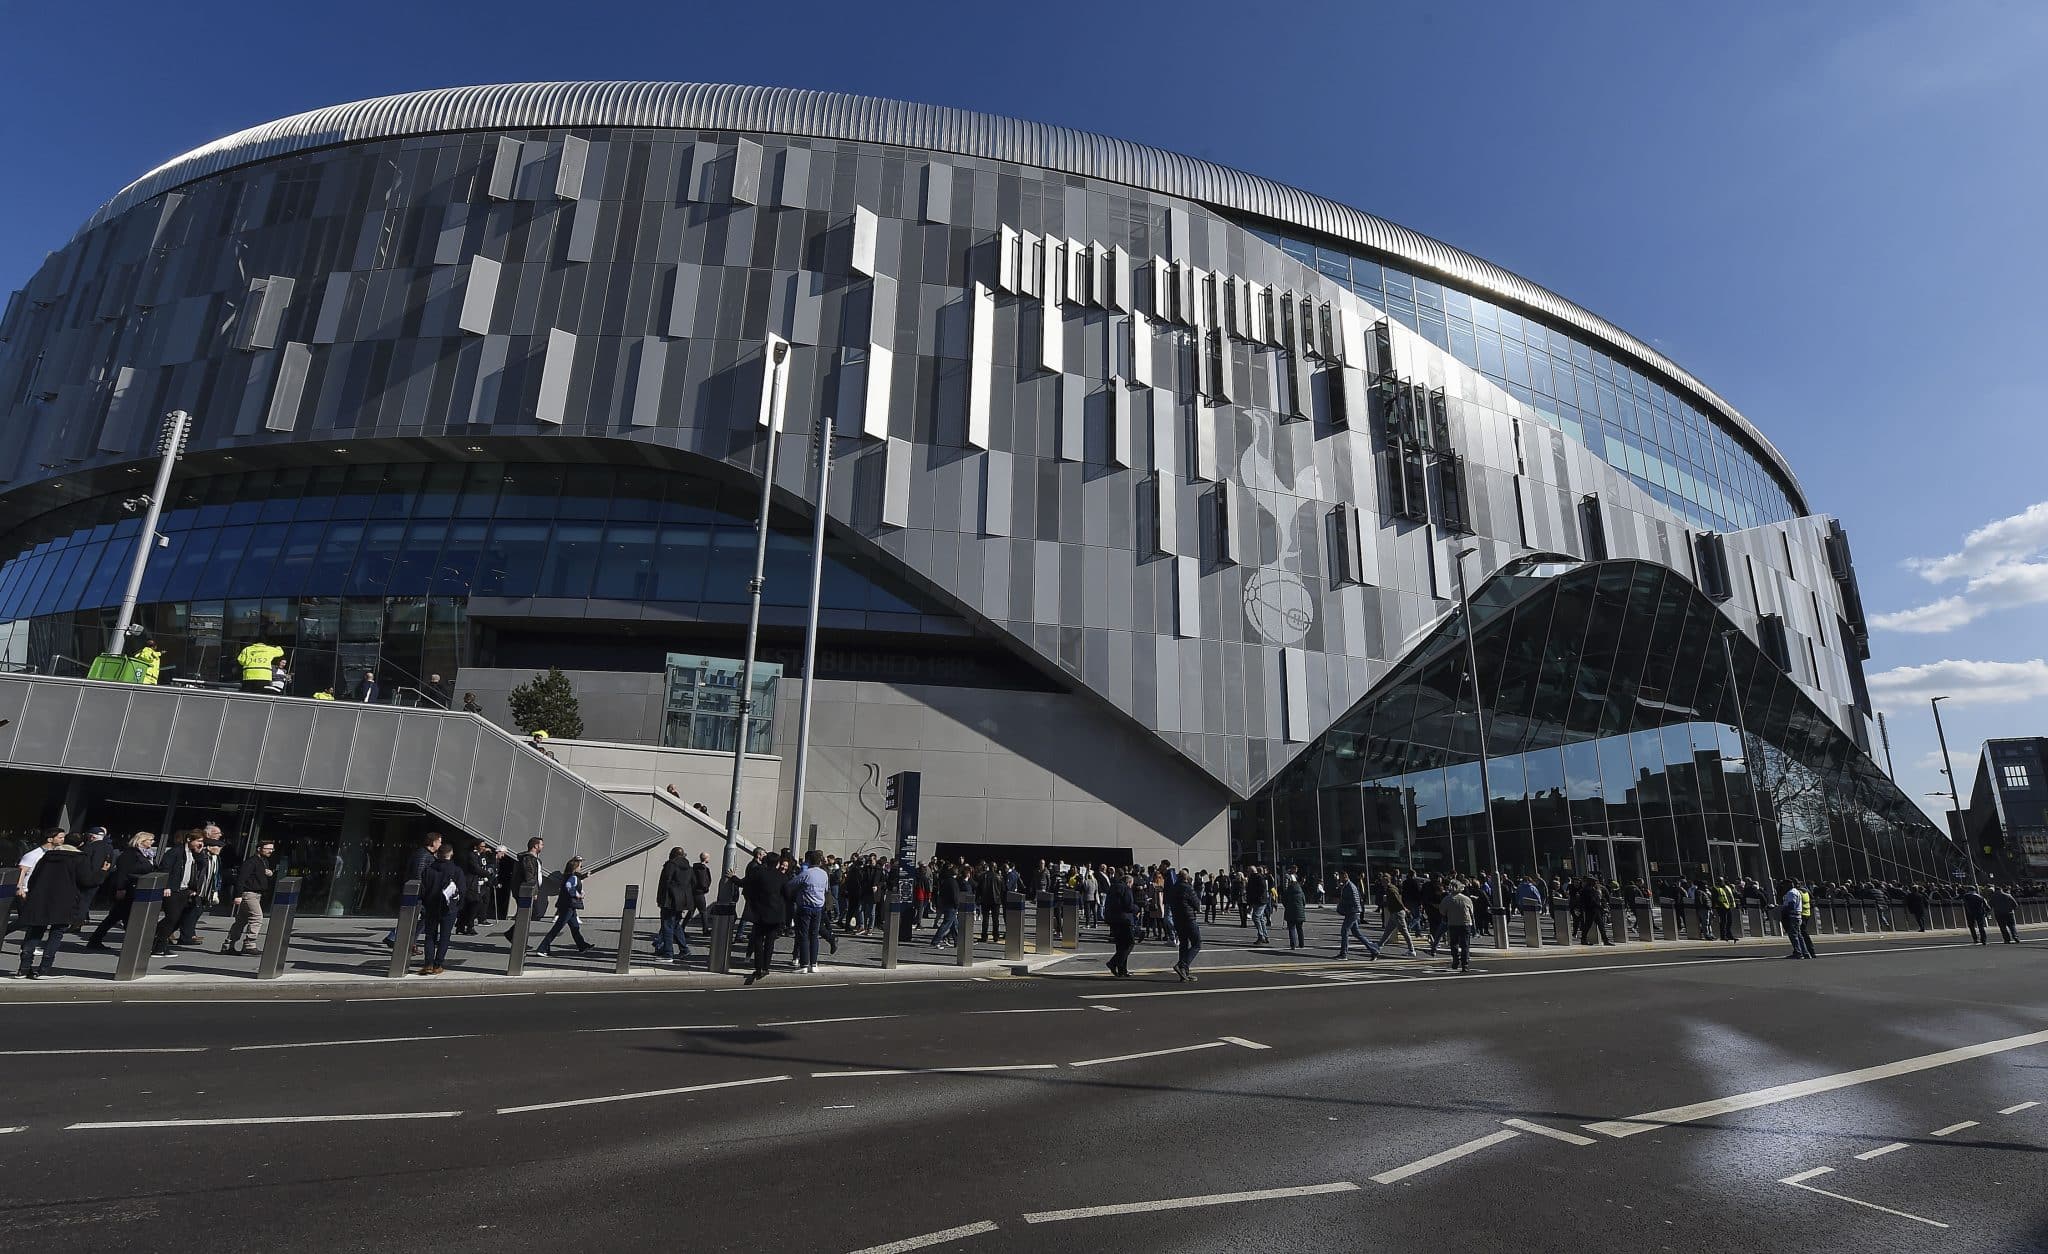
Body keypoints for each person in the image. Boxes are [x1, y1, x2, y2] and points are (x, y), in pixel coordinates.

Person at [11, 833, 108, 979]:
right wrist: (102, 872)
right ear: (80, 845)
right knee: (56, 934)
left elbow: (34, 878)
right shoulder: (80, 858)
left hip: (41, 898)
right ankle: (43, 970)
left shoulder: (47, 857)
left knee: (34, 932)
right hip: (65, 900)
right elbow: (87, 881)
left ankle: (23, 969)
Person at [86, 831, 156, 950]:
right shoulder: (130, 853)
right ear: (141, 841)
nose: (152, 842)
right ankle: (136, 945)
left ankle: (95, 940)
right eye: (150, 840)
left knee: (116, 916)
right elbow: (122, 872)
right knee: (124, 917)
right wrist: (121, 888)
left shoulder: (148, 854)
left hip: (137, 888)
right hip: (127, 888)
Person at [740, 851, 791, 985]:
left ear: (766, 861)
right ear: (778, 863)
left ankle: (757, 967)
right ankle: (766, 967)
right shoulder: (782, 877)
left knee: (757, 940)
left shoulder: (758, 873)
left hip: (760, 912)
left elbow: (744, 883)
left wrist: (733, 878)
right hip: (775, 913)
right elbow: (787, 895)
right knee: (770, 941)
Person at [385, 832, 442, 950]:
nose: (440, 844)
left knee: (416, 916)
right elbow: (418, 874)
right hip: (418, 892)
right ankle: (396, 938)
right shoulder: (423, 855)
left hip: (419, 891)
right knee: (414, 916)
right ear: (433, 842)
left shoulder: (427, 854)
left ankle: (404, 939)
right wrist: (424, 891)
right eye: (439, 841)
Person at [416, 843, 466, 975]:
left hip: (431, 906)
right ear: (451, 854)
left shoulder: (429, 869)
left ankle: (428, 964)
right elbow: (462, 890)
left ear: (438, 854)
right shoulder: (456, 870)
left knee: (430, 936)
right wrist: (458, 906)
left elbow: (423, 889)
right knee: (445, 936)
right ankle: (438, 964)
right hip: (449, 907)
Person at [223, 838, 276, 955]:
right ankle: (249, 944)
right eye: (268, 849)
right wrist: (238, 895)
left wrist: (269, 873)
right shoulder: (251, 862)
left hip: (256, 894)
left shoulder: (263, 861)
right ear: (259, 849)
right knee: (257, 917)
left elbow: (260, 875)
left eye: (272, 849)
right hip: (249, 894)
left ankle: (228, 945)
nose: (270, 851)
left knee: (241, 920)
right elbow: (241, 879)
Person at [537, 856, 593, 955]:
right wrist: (578, 895)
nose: (581, 867)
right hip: (569, 905)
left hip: (567, 905)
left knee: (575, 926)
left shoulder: (568, 875)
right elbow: (569, 886)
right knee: (558, 927)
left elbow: (572, 883)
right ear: (575, 867)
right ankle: (543, 948)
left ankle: (582, 945)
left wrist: (581, 885)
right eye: (580, 866)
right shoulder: (573, 877)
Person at [790, 849, 829, 973]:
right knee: (814, 936)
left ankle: (804, 965)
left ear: (809, 860)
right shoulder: (824, 874)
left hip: (805, 906)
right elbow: (826, 889)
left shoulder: (806, 873)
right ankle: (814, 964)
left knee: (803, 936)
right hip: (818, 907)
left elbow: (791, 884)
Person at [654, 847, 694, 964]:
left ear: (672, 854)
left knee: (667, 925)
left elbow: (664, 883)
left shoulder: (670, 865)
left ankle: (668, 953)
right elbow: (693, 883)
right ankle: (684, 949)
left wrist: (660, 899)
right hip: (682, 902)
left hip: (669, 900)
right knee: (676, 925)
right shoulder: (689, 868)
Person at [1164, 861, 1202, 982]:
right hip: (1188, 918)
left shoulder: (1174, 888)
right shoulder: (1188, 888)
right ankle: (1183, 965)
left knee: (1184, 944)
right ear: (1187, 878)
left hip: (1177, 918)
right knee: (1197, 943)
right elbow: (1196, 904)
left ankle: (1184, 972)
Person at [500, 837, 545, 935]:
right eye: (541, 844)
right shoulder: (528, 859)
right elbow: (529, 875)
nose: (543, 846)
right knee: (530, 913)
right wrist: (533, 891)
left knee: (529, 913)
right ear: (535, 846)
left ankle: (515, 935)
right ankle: (513, 935)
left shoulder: (536, 860)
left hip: (531, 890)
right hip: (526, 891)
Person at [1102, 869, 1138, 978]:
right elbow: (1128, 905)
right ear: (1128, 882)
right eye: (1131, 884)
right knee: (1129, 943)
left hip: (1113, 919)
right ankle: (1113, 962)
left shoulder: (1112, 888)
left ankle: (1123, 970)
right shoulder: (1126, 889)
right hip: (1124, 919)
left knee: (1120, 944)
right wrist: (1137, 908)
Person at [1336, 871, 1380, 959]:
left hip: (1352, 912)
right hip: (1354, 911)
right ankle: (1373, 949)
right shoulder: (1349, 885)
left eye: (1340, 877)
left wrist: (1342, 906)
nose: (1340, 879)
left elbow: (1350, 900)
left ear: (1345, 876)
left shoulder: (1349, 887)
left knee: (1344, 930)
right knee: (1356, 933)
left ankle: (1343, 953)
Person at [1374, 872, 1418, 956]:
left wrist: (1404, 908)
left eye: (1383, 881)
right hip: (1394, 912)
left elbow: (1398, 899)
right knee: (1388, 930)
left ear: (1387, 881)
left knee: (1404, 931)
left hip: (1397, 912)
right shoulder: (1392, 888)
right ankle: (1379, 945)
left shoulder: (1391, 889)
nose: (1382, 883)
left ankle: (1412, 949)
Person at [1440, 878, 1476, 972]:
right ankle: (1465, 964)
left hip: (1452, 923)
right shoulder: (1466, 899)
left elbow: (1442, 912)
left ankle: (1455, 960)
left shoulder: (1447, 899)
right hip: (1465, 923)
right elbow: (1471, 912)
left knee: (1454, 943)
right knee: (1465, 945)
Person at [1780, 882, 1814, 959]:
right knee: (1799, 935)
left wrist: (1783, 909)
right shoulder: (1796, 891)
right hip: (1798, 916)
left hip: (1793, 916)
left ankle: (1798, 952)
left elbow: (1792, 904)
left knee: (1793, 935)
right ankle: (1805, 952)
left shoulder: (1791, 893)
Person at [686, 852, 712, 934]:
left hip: (693, 892)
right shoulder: (702, 869)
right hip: (699, 893)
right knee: (703, 912)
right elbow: (703, 882)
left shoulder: (694, 868)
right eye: (708, 857)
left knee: (691, 911)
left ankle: (681, 928)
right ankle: (705, 930)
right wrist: (705, 888)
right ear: (706, 858)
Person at [1279, 873, 1308, 950]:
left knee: (1291, 928)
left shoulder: (1288, 891)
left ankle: (1293, 944)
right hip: (1299, 912)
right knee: (1300, 928)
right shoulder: (1300, 891)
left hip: (1290, 912)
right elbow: (1304, 902)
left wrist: (1287, 906)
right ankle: (1301, 944)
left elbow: (1284, 901)